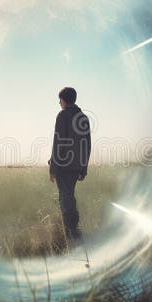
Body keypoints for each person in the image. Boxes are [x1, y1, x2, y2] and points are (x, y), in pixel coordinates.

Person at [48, 87, 91, 241]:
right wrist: (83, 168)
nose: (59, 103)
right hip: (77, 166)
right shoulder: (83, 118)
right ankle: (71, 230)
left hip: (64, 166)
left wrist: (53, 168)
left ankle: (72, 232)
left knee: (65, 197)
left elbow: (58, 142)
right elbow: (87, 144)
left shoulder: (63, 115)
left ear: (63, 100)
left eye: (60, 100)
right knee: (68, 195)